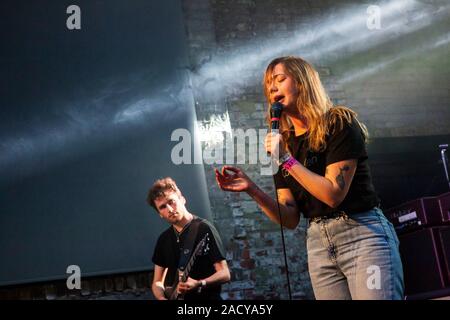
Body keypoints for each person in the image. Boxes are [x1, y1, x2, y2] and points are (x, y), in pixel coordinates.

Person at [215, 56, 404, 300]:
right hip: (318, 244)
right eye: (268, 85)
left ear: (303, 83)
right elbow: (290, 217)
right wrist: (252, 189)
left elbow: (333, 194)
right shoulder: (283, 143)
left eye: (280, 79)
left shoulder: (338, 122)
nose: (272, 88)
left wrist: (286, 159)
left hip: (361, 234)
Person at [147, 177, 230, 300]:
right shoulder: (163, 239)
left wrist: (200, 283)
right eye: (163, 207)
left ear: (182, 199)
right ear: (160, 214)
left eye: (171, 202)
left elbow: (225, 274)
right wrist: (161, 298)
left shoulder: (204, 228)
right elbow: (157, 282)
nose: (169, 209)